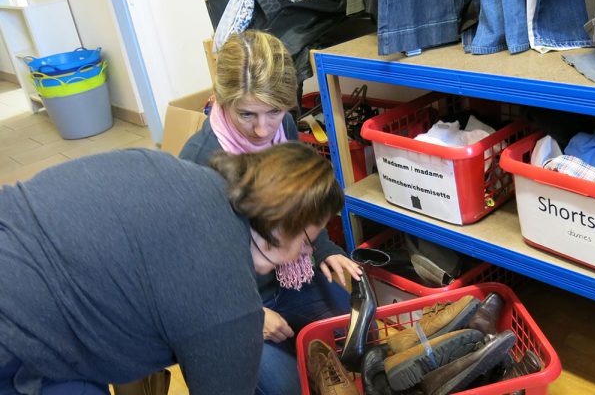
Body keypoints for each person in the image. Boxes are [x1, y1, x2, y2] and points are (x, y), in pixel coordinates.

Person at [0, 143, 344, 395]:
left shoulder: (169, 167)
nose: (304, 253)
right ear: (286, 225)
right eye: (307, 241)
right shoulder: (226, 296)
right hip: (18, 342)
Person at [180, 29, 360, 394]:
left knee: (355, 335)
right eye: (246, 114)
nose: (262, 129)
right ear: (222, 101)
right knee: (288, 386)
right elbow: (188, 275)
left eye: (274, 112)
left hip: (288, 278)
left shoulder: (285, 127)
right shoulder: (199, 162)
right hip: (232, 301)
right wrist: (250, 314)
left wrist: (323, 248)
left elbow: (300, 203)